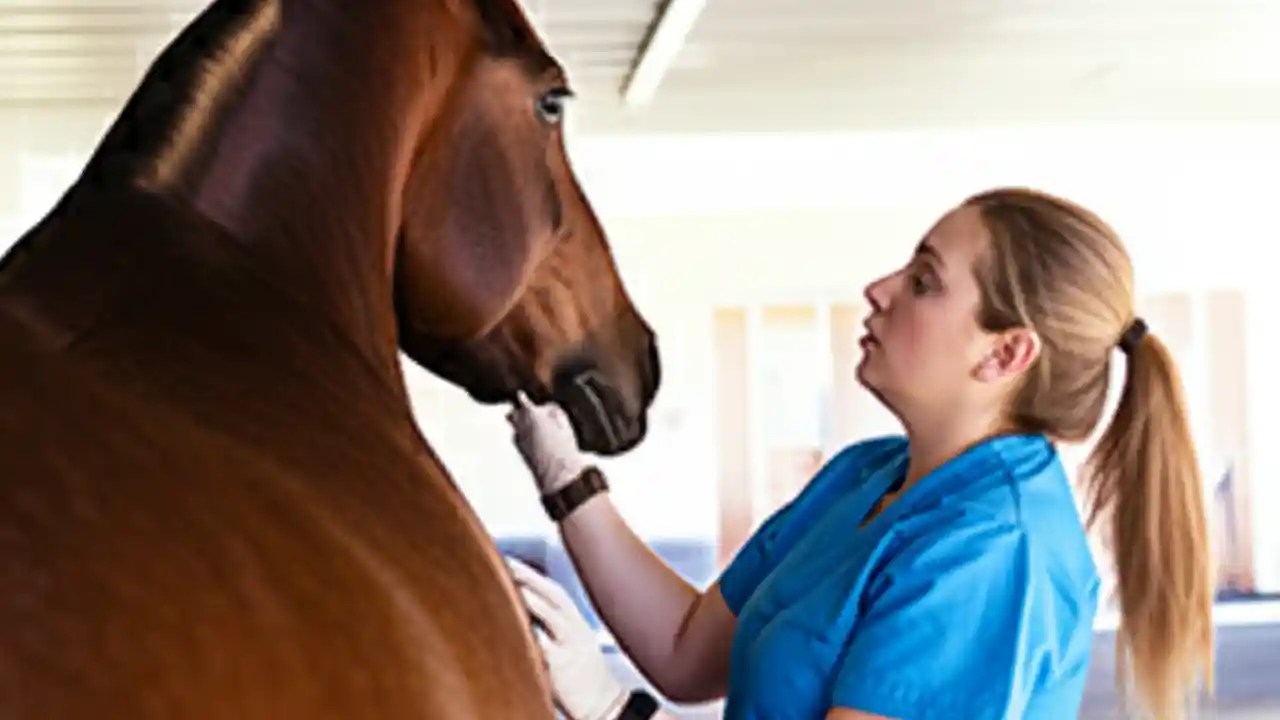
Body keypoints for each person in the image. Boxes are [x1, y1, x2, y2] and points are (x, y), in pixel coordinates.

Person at [505, 187, 1215, 720]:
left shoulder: (995, 550)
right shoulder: (868, 473)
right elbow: (687, 654)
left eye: (924, 281)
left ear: (1006, 353)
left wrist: (612, 714)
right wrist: (566, 479)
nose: (879, 290)